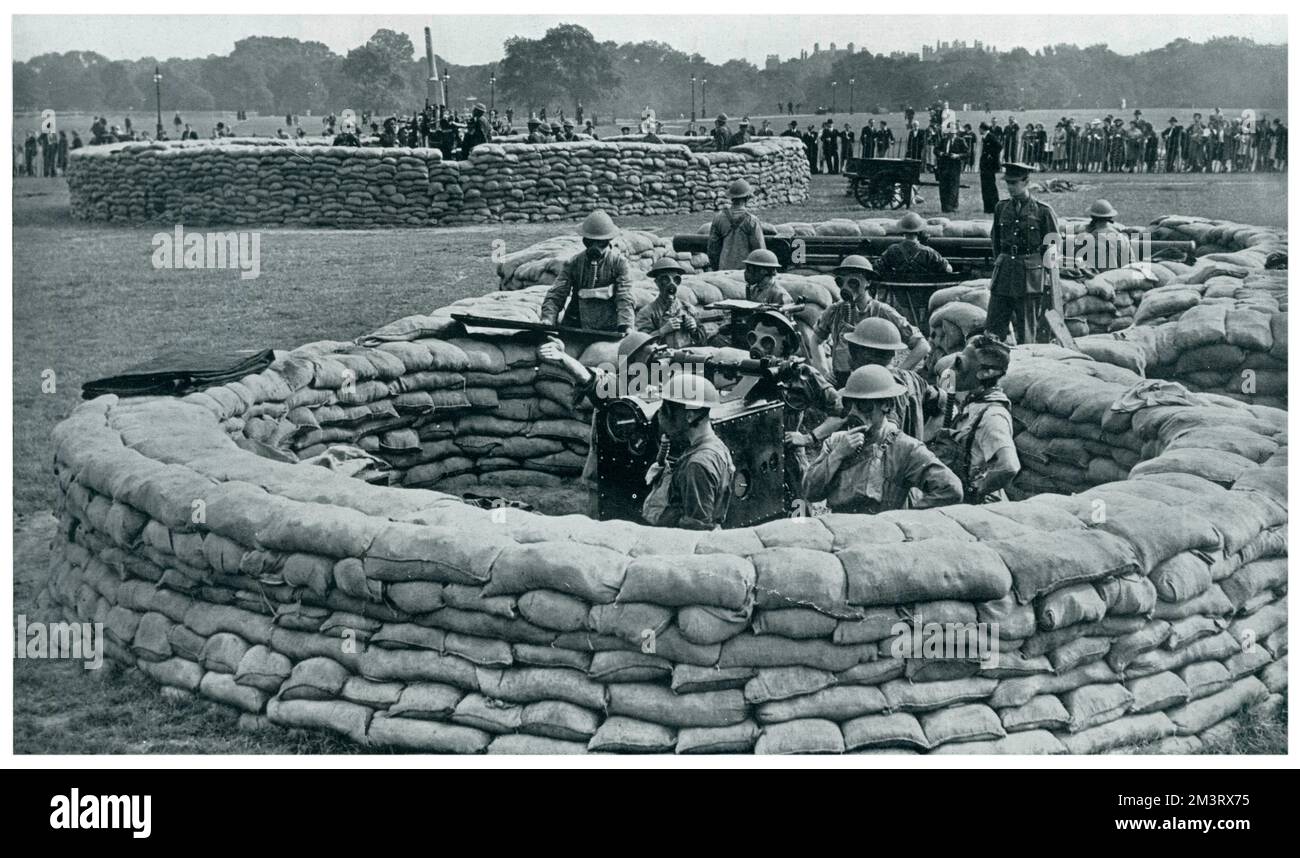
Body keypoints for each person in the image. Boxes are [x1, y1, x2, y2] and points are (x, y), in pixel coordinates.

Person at [801, 365, 962, 514]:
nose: (854, 413)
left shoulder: (905, 448)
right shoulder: (836, 442)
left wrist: (905, 519)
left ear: (887, 405)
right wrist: (837, 455)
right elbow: (810, 491)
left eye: (864, 405)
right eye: (849, 404)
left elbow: (950, 489)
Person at [539, 330, 663, 517]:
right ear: (634, 357)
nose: (656, 349)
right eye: (650, 347)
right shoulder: (615, 385)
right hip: (613, 471)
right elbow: (588, 377)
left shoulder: (658, 387)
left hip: (643, 470)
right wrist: (564, 359)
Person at [932, 334, 1019, 503]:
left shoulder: (992, 415)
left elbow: (1009, 466)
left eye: (960, 364)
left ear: (986, 373)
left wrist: (975, 490)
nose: (953, 370)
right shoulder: (973, 401)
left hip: (980, 506)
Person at [816, 254, 926, 385]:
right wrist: (823, 370)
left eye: (853, 282)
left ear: (868, 282)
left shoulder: (883, 311)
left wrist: (897, 374)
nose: (846, 288)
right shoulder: (834, 311)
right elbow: (815, 340)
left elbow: (922, 346)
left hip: (875, 384)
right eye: (841, 282)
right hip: (842, 381)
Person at [644, 372, 734, 530]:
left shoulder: (697, 465)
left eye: (666, 410)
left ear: (690, 416)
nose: (661, 416)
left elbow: (696, 529)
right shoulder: (715, 446)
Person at [987, 162, 1059, 344]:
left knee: (1026, 329)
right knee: (993, 328)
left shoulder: (1043, 211)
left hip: (1029, 277)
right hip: (1003, 274)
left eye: (1014, 183)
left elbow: (1052, 246)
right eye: (1008, 183)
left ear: (1026, 182)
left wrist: (1047, 276)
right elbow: (995, 240)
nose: (1010, 187)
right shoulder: (1001, 208)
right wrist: (1000, 262)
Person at [539, 210, 635, 333]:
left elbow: (625, 297)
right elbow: (557, 293)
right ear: (585, 241)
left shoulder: (619, 264)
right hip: (576, 324)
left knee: (620, 351)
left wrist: (626, 326)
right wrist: (548, 318)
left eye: (600, 242)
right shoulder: (573, 263)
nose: (595, 247)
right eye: (590, 242)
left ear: (608, 240)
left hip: (608, 327)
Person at [637, 257, 705, 348]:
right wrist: (662, 331)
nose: (671, 284)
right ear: (657, 282)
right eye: (665, 279)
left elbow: (702, 343)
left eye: (675, 279)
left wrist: (695, 329)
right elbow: (641, 345)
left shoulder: (688, 309)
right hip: (661, 359)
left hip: (686, 358)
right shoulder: (647, 313)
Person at [708, 179, 766, 270]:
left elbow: (712, 250)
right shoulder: (752, 221)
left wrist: (716, 269)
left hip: (723, 271)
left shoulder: (718, 218)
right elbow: (760, 251)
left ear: (732, 198)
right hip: (746, 273)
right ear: (747, 198)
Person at [877, 212, 954, 278]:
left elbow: (878, 267)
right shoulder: (928, 252)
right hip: (924, 292)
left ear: (902, 231)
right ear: (920, 232)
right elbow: (948, 269)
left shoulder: (892, 250)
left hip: (899, 292)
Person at [933, 125, 967, 213]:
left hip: (954, 166)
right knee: (943, 186)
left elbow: (967, 153)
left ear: (955, 133)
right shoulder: (943, 140)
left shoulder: (960, 141)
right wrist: (940, 153)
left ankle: (952, 207)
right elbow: (935, 150)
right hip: (943, 166)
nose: (950, 135)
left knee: (953, 186)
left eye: (952, 133)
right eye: (949, 133)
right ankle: (944, 207)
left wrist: (957, 155)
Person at [978, 121, 1002, 213]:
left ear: (982, 129)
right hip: (985, 165)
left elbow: (999, 146)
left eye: (979, 128)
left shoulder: (991, 137)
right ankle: (988, 207)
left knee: (990, 186)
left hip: (989, 166)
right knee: (986, 186)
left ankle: (993, 206)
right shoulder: (985, 137)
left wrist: (991, 155)